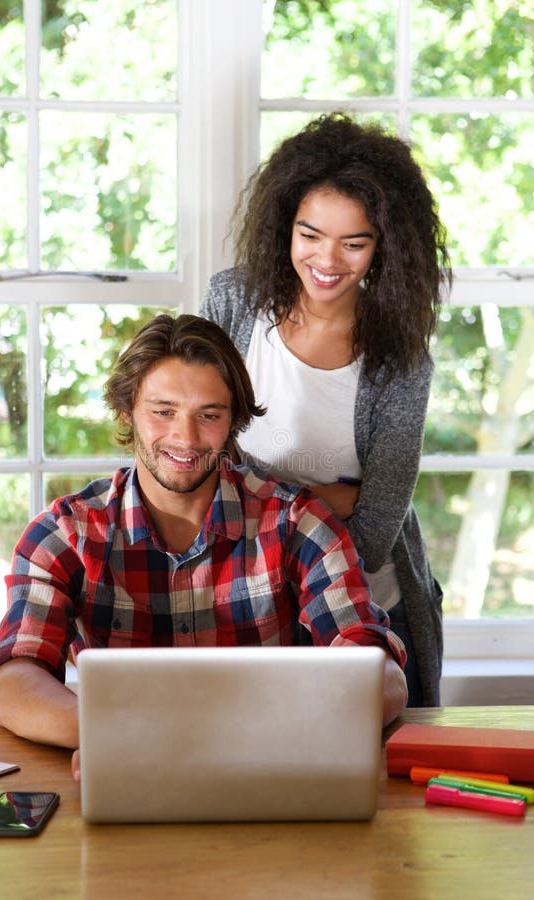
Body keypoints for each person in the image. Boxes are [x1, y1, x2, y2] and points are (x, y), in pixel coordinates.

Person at [0, 313, 407, 766]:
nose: (185, 438)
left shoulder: (296, 521)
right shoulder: (63, 534)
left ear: (233, 422)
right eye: (162, 412)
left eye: (208, 415)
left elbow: (380, 674)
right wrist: (124, 736)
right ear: (127, 411)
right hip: (127, 767)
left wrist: (256, 734)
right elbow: (15, 680)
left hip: (266, 767)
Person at [200, 114, 452, 707]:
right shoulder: (232, 302)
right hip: (249, 614)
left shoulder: (402, 360)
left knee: (382, 798)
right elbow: (200, 463)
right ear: (284, 225)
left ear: (384, 246)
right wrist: (331, 497)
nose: (327, 259)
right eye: (310, 234)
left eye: (354, 242)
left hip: (373, 616)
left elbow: (373, 531)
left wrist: (263, 495)